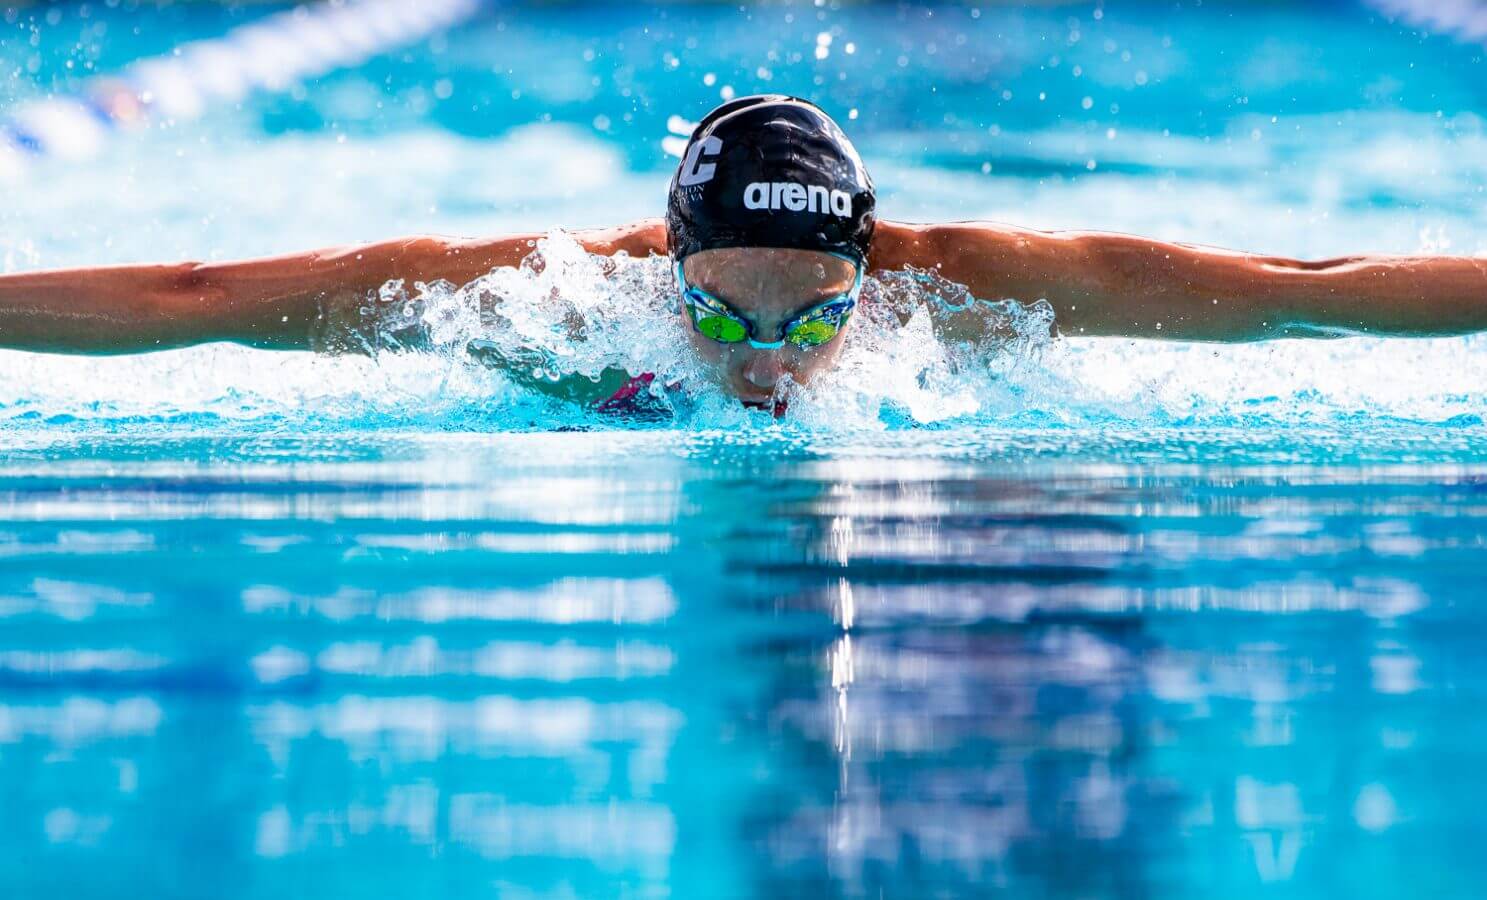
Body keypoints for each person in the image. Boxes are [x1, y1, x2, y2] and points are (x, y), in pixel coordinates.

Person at [3, 94, 1486, 413]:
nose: (770, 370)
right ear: (665, 260)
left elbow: (1312, 303)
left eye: (813, 322)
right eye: (719, 324)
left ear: (870, 272)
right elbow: (195, 302)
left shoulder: (975, 287)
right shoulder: (548, 298)